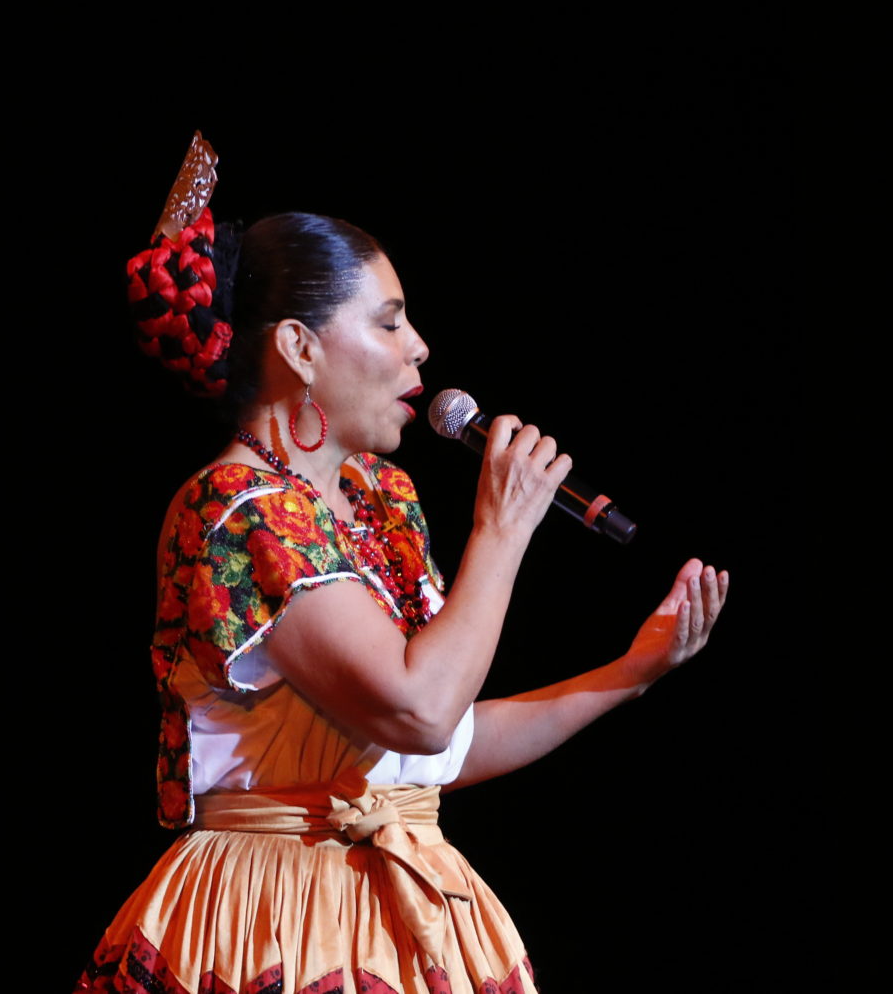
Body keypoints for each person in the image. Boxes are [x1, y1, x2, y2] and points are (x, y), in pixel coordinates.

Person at [76, 148, 727, 994]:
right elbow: (419, 709)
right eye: (389, 322)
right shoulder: (238, 509)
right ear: (300, 347)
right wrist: (502, 527)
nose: (419, 348)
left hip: (398, 909)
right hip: (277, 913)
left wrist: (634, 670)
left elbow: (436, 749)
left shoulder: (379, 497)